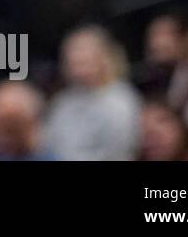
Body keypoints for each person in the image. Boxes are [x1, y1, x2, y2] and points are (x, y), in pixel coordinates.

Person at [42, 25, 141, 160]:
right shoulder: (61, 102)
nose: (78, 69)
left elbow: (124, 149)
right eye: (73, 62)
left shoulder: (122, 98)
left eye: (84, 61)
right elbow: (49, 143)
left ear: (103, 58)